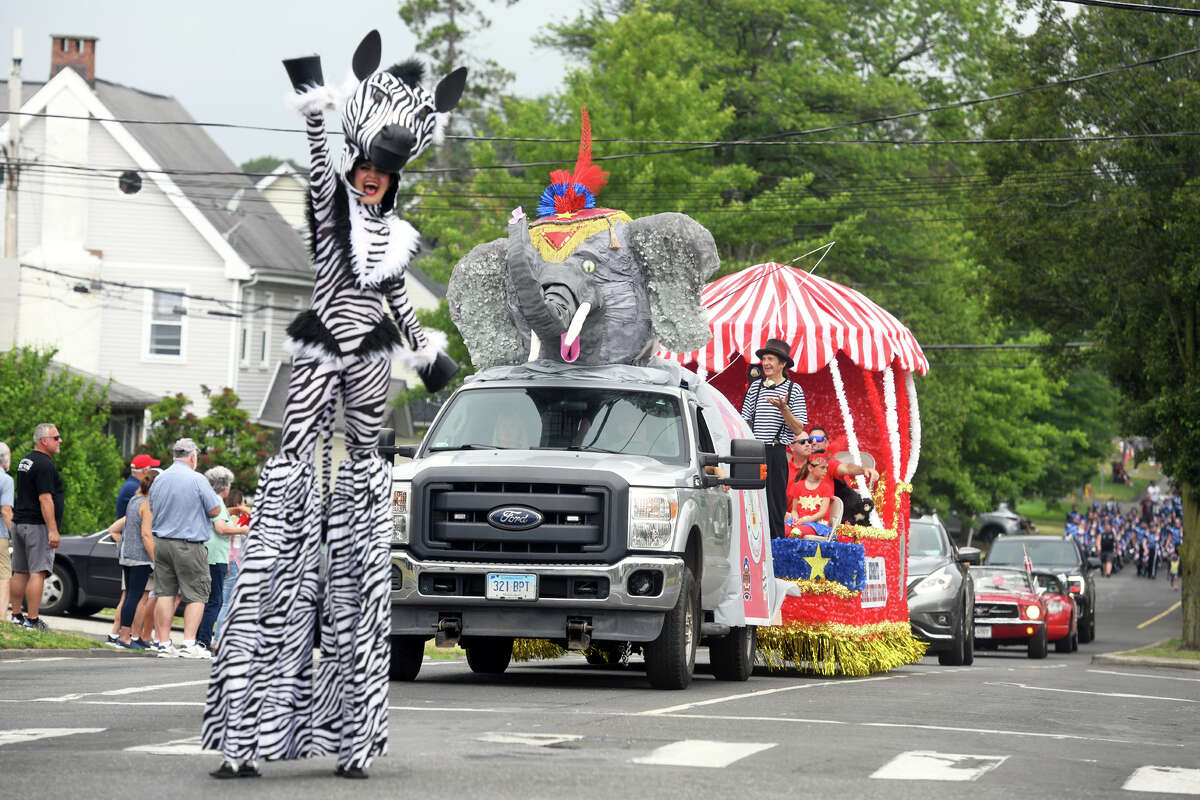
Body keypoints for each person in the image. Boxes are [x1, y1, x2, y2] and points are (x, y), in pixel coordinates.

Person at [150, 438, 222, 659]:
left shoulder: (160, 479)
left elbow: (152, 506)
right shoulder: (197, 479)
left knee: (165, 592)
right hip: (188, 544)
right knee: (197, 593)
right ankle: (189, 644)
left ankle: (163, 643)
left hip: (162, 543)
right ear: (192, 457)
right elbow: (215, 510)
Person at [740, 338, 808, 539]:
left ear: (782, 364)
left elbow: (798, 429)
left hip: (776, 453)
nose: (766, 363)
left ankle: (776, 552)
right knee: (751, 503)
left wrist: (784, 409)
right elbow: (745, 422)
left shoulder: (794, 390)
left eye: (771, 359)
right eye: (764, 359)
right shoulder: (755, 388)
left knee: (775, 506)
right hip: (754, 452)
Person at [10, 423, 64, 631]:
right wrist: (52, 529)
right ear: (44, 440)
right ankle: (32, 620)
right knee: (37, 572)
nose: (60, 441)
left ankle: (16, 614)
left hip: (20, 522)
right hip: (36, 525)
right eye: (56, 437)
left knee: (20, 571)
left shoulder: (26, 460)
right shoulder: (45, 464)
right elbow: (45, 499)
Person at [197, 466, 248, 652]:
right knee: (215, 601)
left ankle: (199, 639)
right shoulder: (217, 502)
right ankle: (203, 641)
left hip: (210, 555)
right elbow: (221, 528)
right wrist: (243, 530)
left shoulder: (210, 501)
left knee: (208, 599)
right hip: (216, 557)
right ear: (224, 486)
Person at [106, 470, 157, 650]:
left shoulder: (134, 500)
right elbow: (146, 534)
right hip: (139, 557)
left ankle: (125, 635)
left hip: (126, 554)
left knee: (129, 595)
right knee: (134, 597)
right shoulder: (147, 505)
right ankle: (126, 637)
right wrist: (155, 560)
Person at [213, 488, 250, 644]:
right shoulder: (234, 518)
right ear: (238, 503)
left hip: (230, 562)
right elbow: (228, 540)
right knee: (226, 604)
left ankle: (218, 637)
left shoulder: (225, 515)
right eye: (243, 502)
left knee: (222, 602)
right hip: (232, 564)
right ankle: (218, 639)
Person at [787, 455, 835, 540]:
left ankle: (794, 552)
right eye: (822, 468)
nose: (825, 471)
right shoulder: (797, 486)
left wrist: (805, 520)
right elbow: (794, 510)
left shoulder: (826, 487)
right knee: (784, 530)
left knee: (796, 532)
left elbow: (822, 513)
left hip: (817, 524)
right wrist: (795, 519)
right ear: (810, 468)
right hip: (800, 522)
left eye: (826, 468)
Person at [117, 454, 160, 520]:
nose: (152, 470)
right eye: (151, 468)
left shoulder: (131, 484)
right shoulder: (134, 487)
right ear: (145, 470)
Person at [0, 442, 13, 621]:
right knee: (3, 574)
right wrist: (15, 534)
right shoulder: (6, 480)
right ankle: (1, 616)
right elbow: (5, 510)